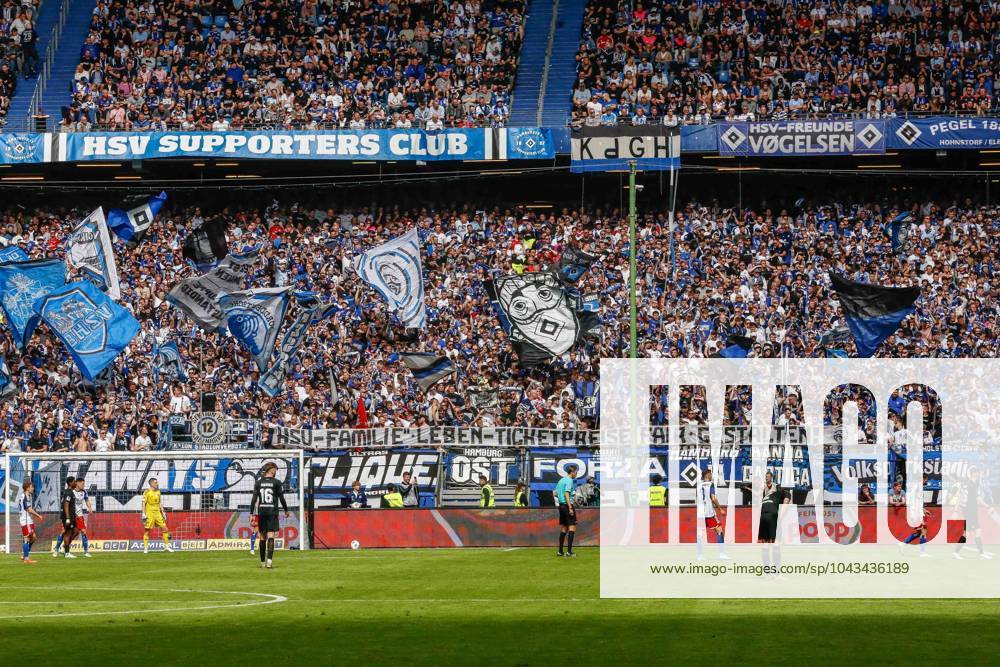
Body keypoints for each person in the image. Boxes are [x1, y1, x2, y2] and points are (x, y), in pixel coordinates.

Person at [250, 462, 289, 569]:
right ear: (272, 470)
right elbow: (281, 498)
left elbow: (254, 499)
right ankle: (269, 561)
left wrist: (251, 513)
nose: (276, 472)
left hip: (262, 512)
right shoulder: (277, 482)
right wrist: (286, 510)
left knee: (262, 536)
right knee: (271, 535)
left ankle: (262, 562)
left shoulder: (258, 483)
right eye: (275, 470)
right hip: (272, 512)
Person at [758, 471, 786, 572]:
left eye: (768, 477)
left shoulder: (776, 487)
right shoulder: (764, 489)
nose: (766, 478)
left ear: (771, 478)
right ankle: (776, 572)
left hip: (767, 514)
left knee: (767, 544)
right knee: (774, 544)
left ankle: (768, 571)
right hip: (770, 515)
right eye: (765, 477)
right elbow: (786, 500)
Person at [698, 469, 728, 560]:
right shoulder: (710, 484)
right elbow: (713, 499)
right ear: (707, 475)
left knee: (700, 534)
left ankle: (699, 556)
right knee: (719, 530)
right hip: (709, 512)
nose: (711, 476)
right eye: (710, 474)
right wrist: (720, 509)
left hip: (700, 512)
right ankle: (722, 554)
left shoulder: (699, 485)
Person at [142, 478, 173, 554]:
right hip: (149, 514)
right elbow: (143, 503)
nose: (157, 484)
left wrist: (163, 512)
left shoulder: (158, 491)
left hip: (158, 514)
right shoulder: (147, 492)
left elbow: (159, 503)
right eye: (155, 482)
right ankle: (145, 548)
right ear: (151, 483)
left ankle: (166, 547)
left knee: (165, 528)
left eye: (157, 482)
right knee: (147, 531)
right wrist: (143, 513)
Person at [17, 479, 43, 564]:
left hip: (28, 519)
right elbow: (28, 509)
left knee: (33, 537)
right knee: (27, 538)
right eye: (32, 487)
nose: (33, 488)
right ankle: (26, 558)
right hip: (25, 520)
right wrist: (38, 515)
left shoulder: (28, 496)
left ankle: (24, 554)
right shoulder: (24, 496)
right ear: (27, 488)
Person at [555, 465, 578, 557]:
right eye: (576, 472)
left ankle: (560, 551)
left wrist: (561, 501)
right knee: (572, 527)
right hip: (567, 506)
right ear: (572, 472)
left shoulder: (561, 480)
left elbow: (555, 493)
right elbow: (566, 493)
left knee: (564, 528)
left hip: (561, 506)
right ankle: (569, 552)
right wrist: (570, 507)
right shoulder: (569, 480)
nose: (576, 474)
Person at [58, 476, 79, 558]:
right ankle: (67, 553)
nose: (75, 483)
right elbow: (66, 505)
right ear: (70, 483)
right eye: (74, 481)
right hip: (68, 516)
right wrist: (67, 518)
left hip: (72, 516)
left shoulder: (71, 492)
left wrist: (74, 515)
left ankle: (64, 547)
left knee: (76, 531)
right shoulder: (68, 493)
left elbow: (70, 506)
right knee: (68, 533)